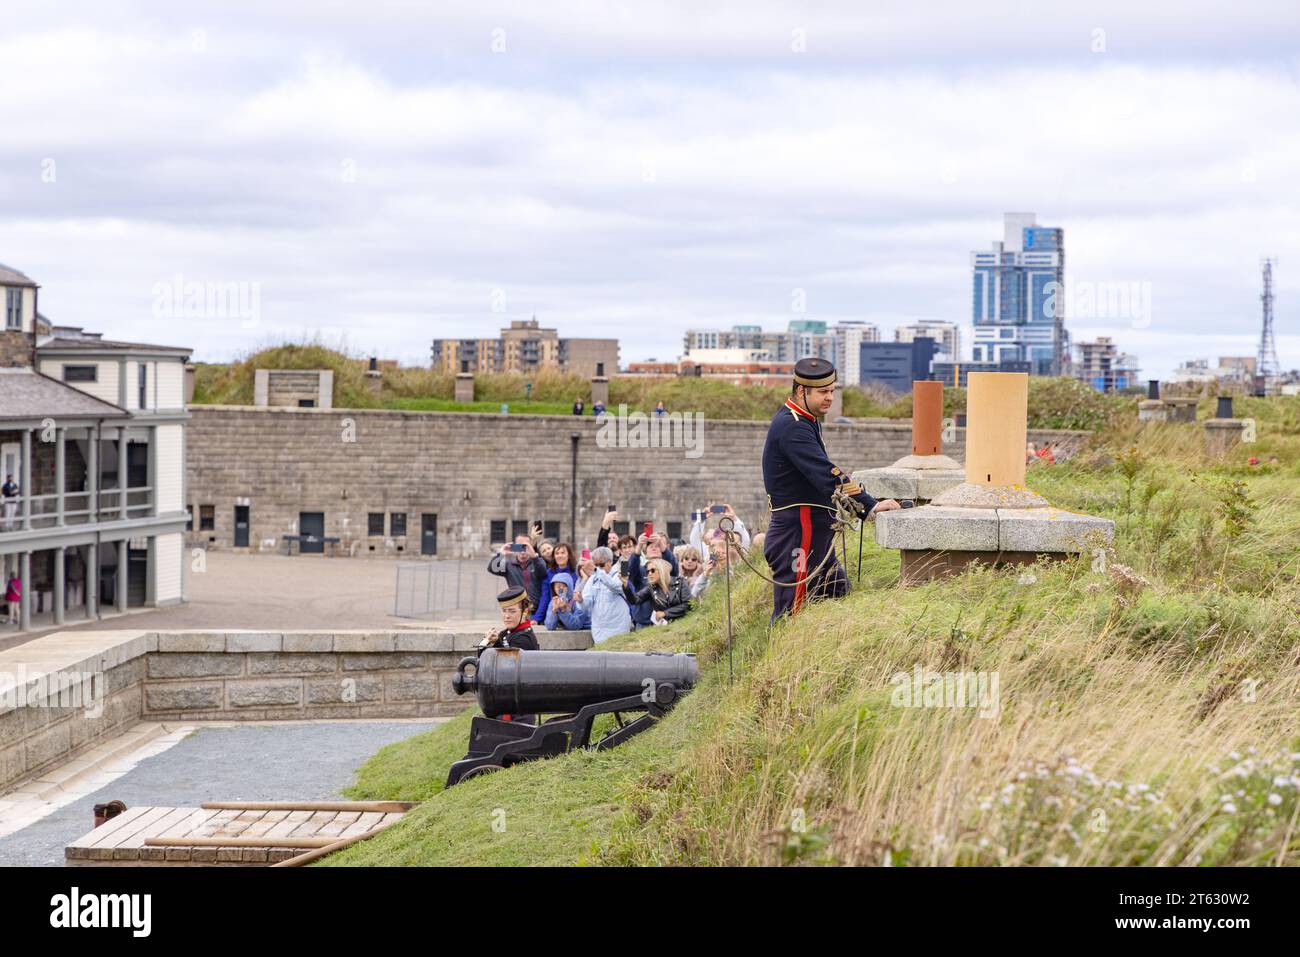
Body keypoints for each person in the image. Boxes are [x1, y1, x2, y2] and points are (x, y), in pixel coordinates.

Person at [762, 357, 900, 621]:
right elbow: (828, 474)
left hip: (814, 531)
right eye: (823, 392)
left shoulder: (805, 418)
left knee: (836, 592)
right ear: (802, 391)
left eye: (832, 391)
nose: (830, 398)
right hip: (798, 532)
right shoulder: (793, 426)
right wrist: (868, 505)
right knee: (792, 611)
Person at [477, 586, 541, 724]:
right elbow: (483, 663)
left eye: (512, 611)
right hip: (506, 705)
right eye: (504, 611)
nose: (506, 616)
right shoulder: (506, 634)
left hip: (519, 711)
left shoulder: (525, 638)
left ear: (525, 611)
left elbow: (508, 669)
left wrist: (496, 644)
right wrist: (486, 642)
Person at [574, 546, 632, 643]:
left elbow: (615, 586)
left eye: (600, 565)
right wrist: (581, 600)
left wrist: (596, 570)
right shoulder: (593, 578)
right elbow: (586, 605)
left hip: (619, 630)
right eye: (595, 565)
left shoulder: (620, 574)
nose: (597, 568)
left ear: (610, 562)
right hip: (599, 632)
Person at [486, 536, 548, 610]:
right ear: (514, 547)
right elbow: (492, 568)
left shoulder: (537, 562)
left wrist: (534, 557)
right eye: (519, 547)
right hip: (518, 609)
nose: (522, 550)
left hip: (536, 609)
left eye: (525, 546)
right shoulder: (509, 565)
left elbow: (543, 573)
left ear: (530, 546)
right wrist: (501, 554)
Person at [631, 558, 691, 625]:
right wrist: (625, 585)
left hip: (684, 625)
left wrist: (665, 613)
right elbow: (635, 600)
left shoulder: (680, 582)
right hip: (663, 629)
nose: (649, 574)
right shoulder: (651, 588)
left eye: (653, 570)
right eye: (648, 572)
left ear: (662, 570)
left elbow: (688, 604)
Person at [533, 541, 577, 625]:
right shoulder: (548, 573)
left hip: (571, 609)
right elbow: (545, 597)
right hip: (554, 610)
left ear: (569, 555)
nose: (559, 555)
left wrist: (569, 605)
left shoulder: (575, 572)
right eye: (557, 553)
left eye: (563, 553)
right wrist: (537, 618)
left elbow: (578, 594)